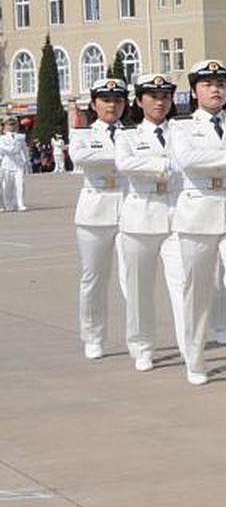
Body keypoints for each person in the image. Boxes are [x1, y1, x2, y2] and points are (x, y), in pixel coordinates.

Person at [168, 60, 226, 387]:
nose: (216, 90)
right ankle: (195, 357)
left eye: (221, 84)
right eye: (208, 84)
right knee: (196, 293)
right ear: (195, 91)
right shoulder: (181, 126)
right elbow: (190, 161)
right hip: (197, 216)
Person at [114, 74, 180, 373]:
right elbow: (125, 164)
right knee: (139, 289)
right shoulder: (127, 136)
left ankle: (189, 345)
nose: (159, 102)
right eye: (152, 96)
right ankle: (142, 346)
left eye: (165, 96)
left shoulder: (183, 131)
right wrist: (164, 164)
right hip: (140, 219)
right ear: (139, 101)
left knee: (184, 287)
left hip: (177, 217)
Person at [70, 78, 130, 360]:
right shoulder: (82, 133)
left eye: (118, 100)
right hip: (95, 213)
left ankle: (137, 335)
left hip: (129, 209)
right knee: (93, 278)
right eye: (106, 100)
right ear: (94, 104)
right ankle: (93, 335)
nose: (112, 106)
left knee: (132, 278)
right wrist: (126, 157)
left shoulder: (132, 133)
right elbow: (81, 157)